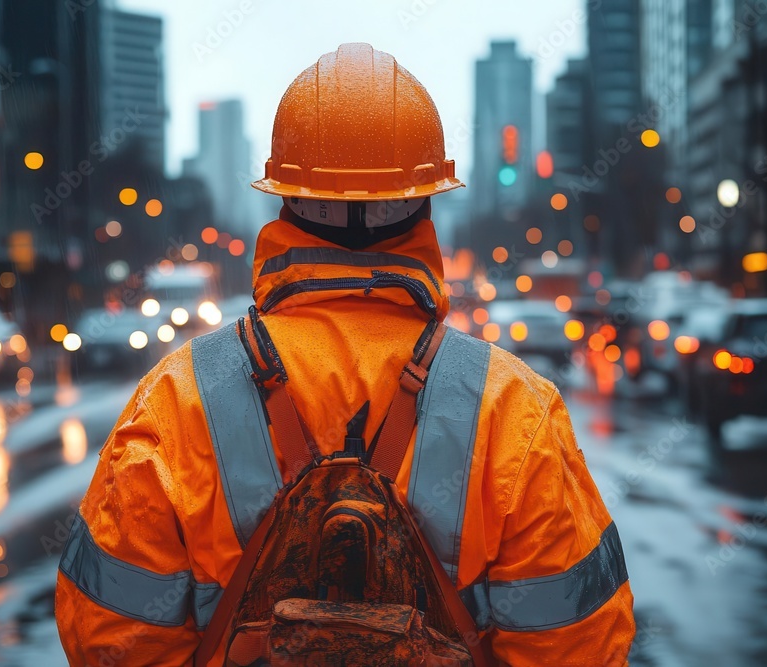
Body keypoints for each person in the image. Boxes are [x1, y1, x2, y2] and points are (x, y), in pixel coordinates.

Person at [56, 42, 635, 666]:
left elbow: (109, 641)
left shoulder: (177, 399)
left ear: (284, 201)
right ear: (426, 202)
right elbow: (580, 645)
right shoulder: (513, 408)